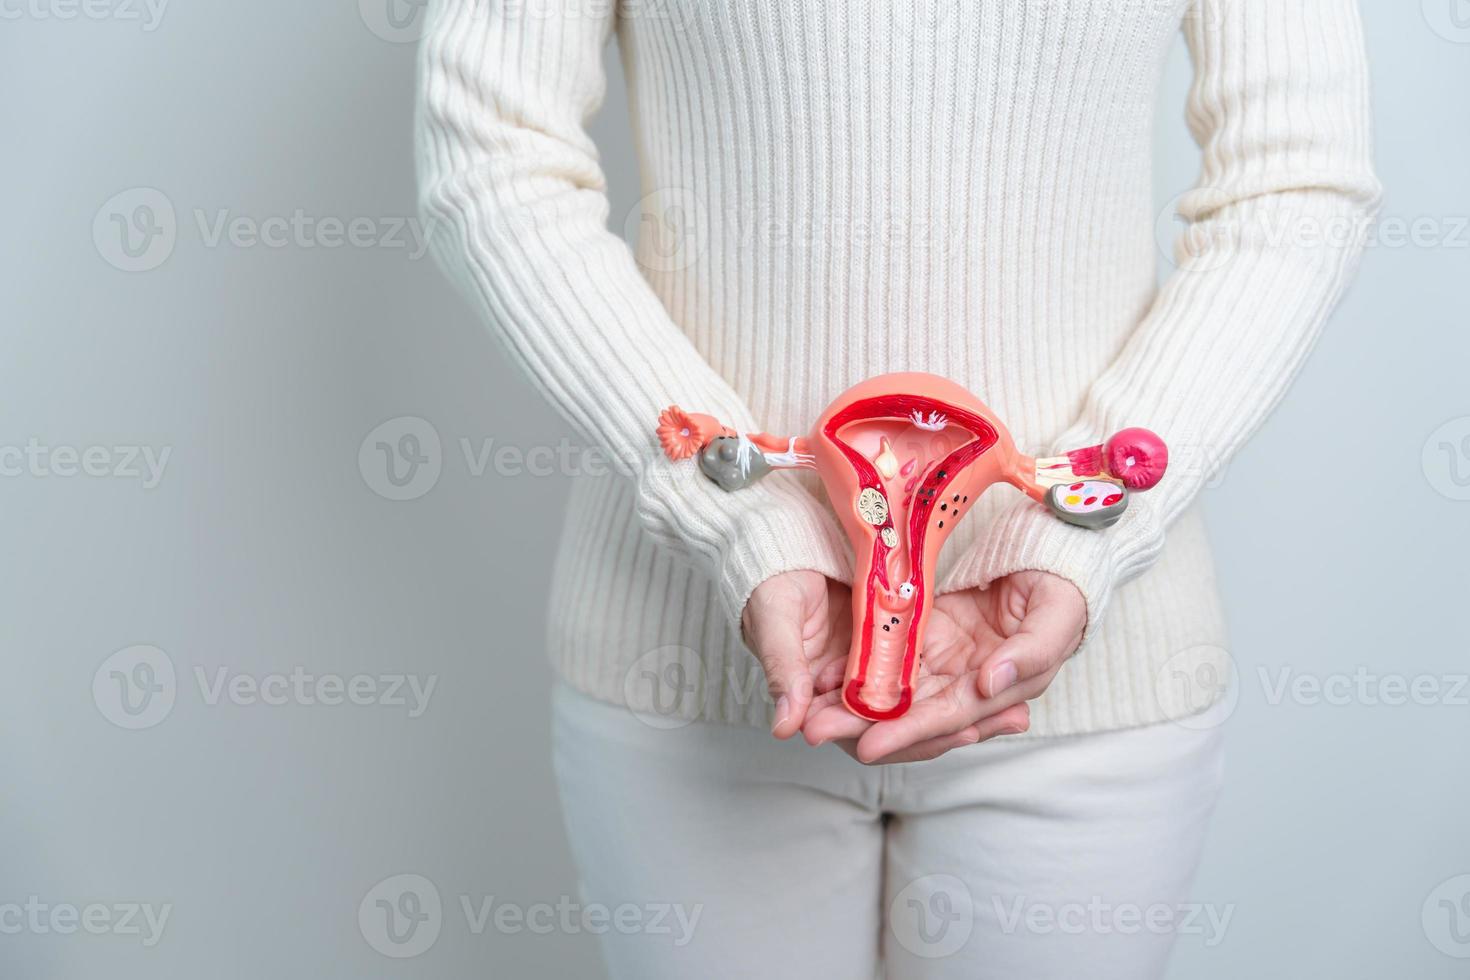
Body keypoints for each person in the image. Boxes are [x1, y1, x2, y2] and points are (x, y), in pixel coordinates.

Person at [416, 1, 1379, 976]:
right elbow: (495, 149)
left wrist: (1077, 534)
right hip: (687, 672)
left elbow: (1293, 180)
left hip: (1095, 682)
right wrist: (739, 521)